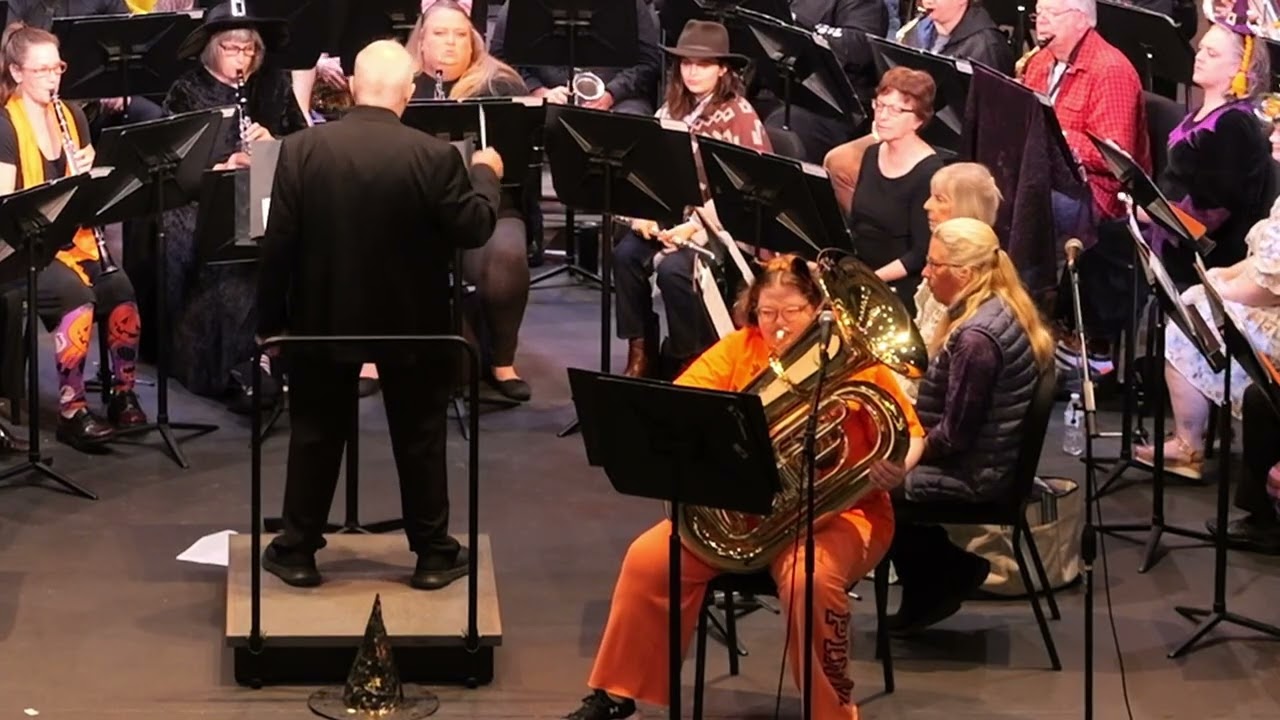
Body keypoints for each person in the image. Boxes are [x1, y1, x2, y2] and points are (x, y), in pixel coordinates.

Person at [564, 255, 923, 720]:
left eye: (790, 311)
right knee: (650, 560)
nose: (776, 325)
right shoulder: (738, 348)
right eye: (766, 312)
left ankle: (831, 712)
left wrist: (897, 467)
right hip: (743, 513)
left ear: (818, 309)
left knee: (808, 581)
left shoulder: (858, 362)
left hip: (844, 512)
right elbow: (682, 404)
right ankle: (615, 694)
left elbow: (911, 434)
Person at [256, 39, 504, 590]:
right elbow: (474, 228)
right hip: (411, 322)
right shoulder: (435, 157)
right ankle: (433, 553)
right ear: (409, 93)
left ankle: (297, 549)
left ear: (350, 87)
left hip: (323, 318)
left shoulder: (300, 151)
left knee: (316, 431)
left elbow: (278, 246)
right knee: (419, 435)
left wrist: (268, 322)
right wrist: (486, 174)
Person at [883, 217, 1057, 633]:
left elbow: (955, 436)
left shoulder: (977, 339)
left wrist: (901, 452)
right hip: (988, 458)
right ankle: (943, 572)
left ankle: (943, 576)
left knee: (865, 485)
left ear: (966, 273)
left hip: (978, 474)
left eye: (933, 264)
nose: (924, 273)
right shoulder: (999, 305)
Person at [152, 2, 308, 410]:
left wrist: (273, 147)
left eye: (249, 50)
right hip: (203, 198)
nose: (242, 59)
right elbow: (170, 163)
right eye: (232, 49)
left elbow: (304, 144)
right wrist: (223, 164)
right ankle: (227, 365)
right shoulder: (187, 90)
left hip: (265, 192)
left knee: (284, 236)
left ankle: (277, 353)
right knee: (232, 250)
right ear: (211, 49)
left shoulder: (273, 86)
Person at [0, 22, 147, 452]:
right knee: (76, 296)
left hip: (71, 240)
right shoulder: (5, 127)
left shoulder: (73, 117)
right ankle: (73, 410)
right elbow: (6, 208)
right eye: (42, 70)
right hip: (23, 249)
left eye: (57, 68)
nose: (53, 79)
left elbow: (89, 202)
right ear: (16, 73)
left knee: (120, 289)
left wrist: (90, 178)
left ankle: (122, 394)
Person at [613, 19, 772, 378]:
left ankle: (693, 359)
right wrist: (643, 217)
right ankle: (641, 350)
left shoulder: (740, 116)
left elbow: (747, 191)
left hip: (720, 227)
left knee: (673, 270)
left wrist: (693, 230)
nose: (693, 72)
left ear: (722, 70)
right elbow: (647, 169)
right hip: (670, 216)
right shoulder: (670, 109)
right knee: (625, 256)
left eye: (703, 64)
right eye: (686, 63)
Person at [406, 0, 533, 402]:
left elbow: (518, 166)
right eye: (440, 34)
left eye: (461, 35)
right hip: (417, 211)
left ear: (474, 43)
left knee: (507, 256)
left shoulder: (500, 86)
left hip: (490, 203)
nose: (450, 44)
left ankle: (504, 361)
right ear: (421, 42)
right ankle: (373, 357)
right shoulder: (403, 86)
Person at [1133, 199, 1280, 480]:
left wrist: (1220, 290)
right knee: (1191, 306)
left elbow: (1268, 286)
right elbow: (1259, 262)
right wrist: (1218, 278)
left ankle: (1189, 445)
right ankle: (1189, 438)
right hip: (1266, 303)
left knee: (1193, 323)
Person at [1145, 10, 1272, 288]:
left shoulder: (1234, 126)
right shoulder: (1205, 113)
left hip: (1206, 263)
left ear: (1239, 68)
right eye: (1201, 48)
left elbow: (1209, 215)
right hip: (1172, 237)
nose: (1199, 56)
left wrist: (1151, 211)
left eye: (1212, 54)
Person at [847, 67, 945, 318]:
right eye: (880, 106)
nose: (882, 116)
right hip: (861, 271)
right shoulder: (871, 154)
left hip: (897, 286)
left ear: (918, 120)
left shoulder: (929, 172)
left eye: (896, 110)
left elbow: (919, 254)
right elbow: (857, 223)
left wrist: (869, 281)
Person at [490, 0, 661, 116]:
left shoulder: (631, 5)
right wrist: (537, 90)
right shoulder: (520, 5)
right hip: (545, 94)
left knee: (633, 123)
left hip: (618, 99)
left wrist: (612, 93)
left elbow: (647, 61)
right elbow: (499, 60)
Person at [913, 162, 1004, 353]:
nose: (927, 205)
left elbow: (933, 358)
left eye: (939, 199)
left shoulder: (960, 274)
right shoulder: (944, 254)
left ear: (965, 208)